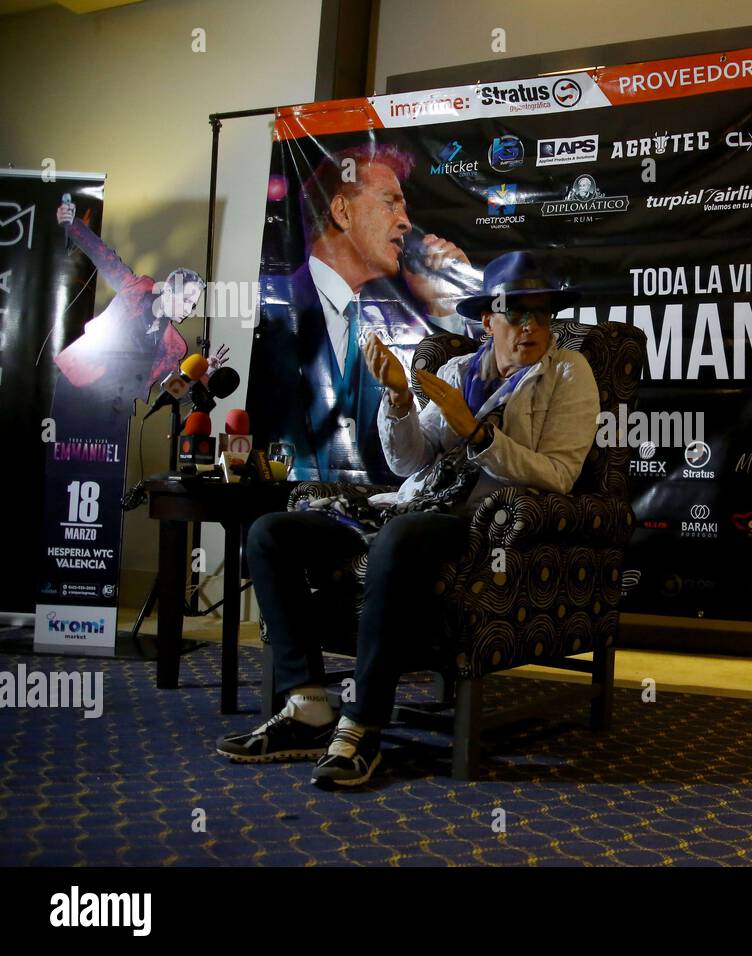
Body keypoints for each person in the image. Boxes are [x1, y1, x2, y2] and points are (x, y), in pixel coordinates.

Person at [218, 251, 599, 788]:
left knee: (399, 537)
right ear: (487, 321)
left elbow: (559, 475)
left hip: (479, 524)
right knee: (270, 532)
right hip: (410, 508)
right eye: (515, 314)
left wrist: (479, 434)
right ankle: (306, 707)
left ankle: (363, 723)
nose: (531, 326)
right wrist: (397, 398)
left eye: (540, 314)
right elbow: (408, 462)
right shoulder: (457, 370)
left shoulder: (568, 372)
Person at [249, 142, 472, 482]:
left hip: (375, 519)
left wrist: (442, 305)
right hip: (285, 517)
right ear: (342, 212)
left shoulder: (404, 324)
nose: (406, 224)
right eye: (390, 204)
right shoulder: (267, 311)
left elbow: (450, 423)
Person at [52, 202, 202, 421]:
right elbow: (104, 257)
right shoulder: (135, 288)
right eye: (187, 300)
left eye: (193, 305)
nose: (189, 310)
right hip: (77, 388)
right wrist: (73, 224)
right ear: (168, 290)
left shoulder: (175, 346)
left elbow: (175, 390)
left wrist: (205, 376)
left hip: (115, 411)